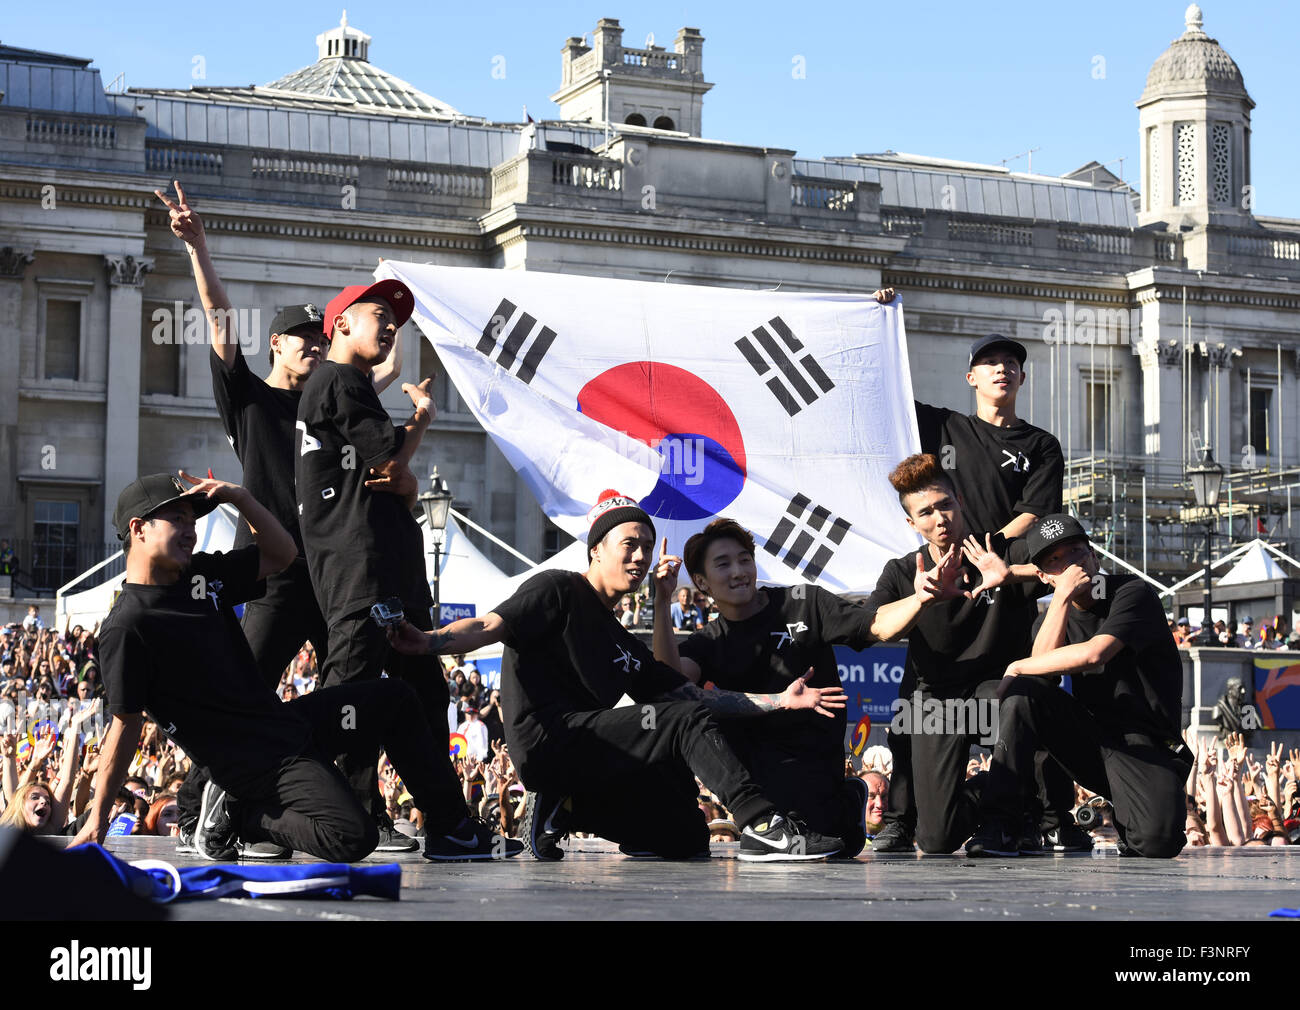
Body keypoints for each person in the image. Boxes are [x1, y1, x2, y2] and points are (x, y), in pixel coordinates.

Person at [70, 472, 519, 862]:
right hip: (254, 761)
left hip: (283, 722)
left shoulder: (198, 578)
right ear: (138, 529)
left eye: (193, 520)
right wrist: (96, 820)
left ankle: (450, 829)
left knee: (395, 699)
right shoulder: (128, 625)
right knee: (351, 836)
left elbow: (281, 554)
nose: (190, 531)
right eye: (177, 520)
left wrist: (239, 496)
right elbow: (123, 727)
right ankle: (239, 813)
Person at [388, 490, 847, 862]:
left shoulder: (624, 642)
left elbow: (692, 694)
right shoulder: (557, 590)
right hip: (548, 742)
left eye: (647, 546)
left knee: (686, 838)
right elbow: (488, 626)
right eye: (630, 543)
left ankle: (566, 807)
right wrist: (427, 641)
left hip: (590, 758)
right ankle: (762, 826)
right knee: (680, 718)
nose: (641, 555)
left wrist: (778, 701)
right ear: (596, 550)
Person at [860, 454, 1083, 855]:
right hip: (939, 703)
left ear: (959, 500)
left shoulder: (1001, 551)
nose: (939, 518)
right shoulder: (901, 572)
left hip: (998, 692)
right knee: (936, 840)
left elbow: (1079, 567)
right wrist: (920, 598)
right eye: (925, 512)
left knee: (1026, 699)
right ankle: (1002, 793)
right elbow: (872, 624)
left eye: (945, 504)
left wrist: (1009, 573)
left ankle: (1009, 819)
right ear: (912, 523)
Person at [295, 277, 440, 853]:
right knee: (352, 694)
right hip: (364, 567)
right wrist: (421, 418)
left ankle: (447, 818)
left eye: (395, 319)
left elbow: (389, 477)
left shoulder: (343, 383)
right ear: (342, 323)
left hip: (381, 567)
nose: (389, 325)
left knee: (421, 696)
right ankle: (257, 773)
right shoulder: (339, 381)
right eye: (377, 313)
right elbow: (393, 469)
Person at [971, 514, 1191, 858]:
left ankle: (1129, 812)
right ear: (1043, 576)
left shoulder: (1131, 592)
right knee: (1019, 695)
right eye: (1054, 561)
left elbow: (1095, 654)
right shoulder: (1052, 617)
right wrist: (1059, 599)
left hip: (1143, 744)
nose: (1070, 564)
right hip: (1091, 741)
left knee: (1158, 842)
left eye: (1075, 552)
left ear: (1094, 556)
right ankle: (1004, 822)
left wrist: (1017, 664)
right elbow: (1036, 679)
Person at [652, 517, 875, 856]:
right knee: (677, 710)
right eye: (723, 564)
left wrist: (920, 599)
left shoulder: (803, 602)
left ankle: (846, 801)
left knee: (830, 838)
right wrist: (661, 601)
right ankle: (670, 820)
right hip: (756, 771)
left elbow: (879, 625)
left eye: (745, 559)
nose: (739, 571)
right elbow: (671, 683)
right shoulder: (708, 640)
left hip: (812, 758)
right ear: (701, 582)